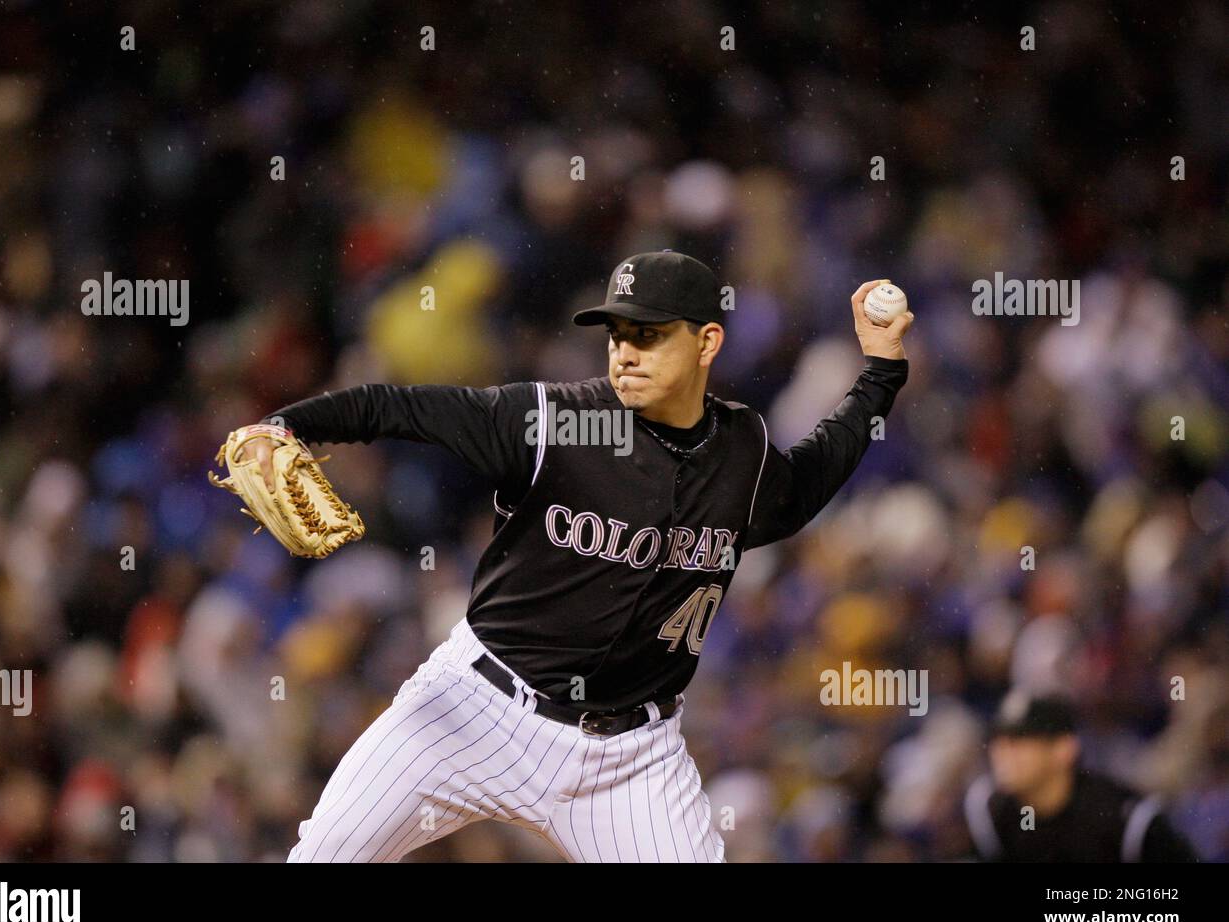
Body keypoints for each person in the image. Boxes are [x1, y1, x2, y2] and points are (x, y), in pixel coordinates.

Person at [241, 251, 911, 862]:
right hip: (476, 709)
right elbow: (406, 407)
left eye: (648, 334)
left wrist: (880, 374)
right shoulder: (553, 422)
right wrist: (285, 425)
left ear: (708, 341)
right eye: (617, 334)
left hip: (629, 757)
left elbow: (807, 481)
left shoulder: (744, 453)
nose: (624, 351)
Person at [964, 691, 1199, 862]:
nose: (1002, 755)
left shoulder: (1124, 819)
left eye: (1018, 743)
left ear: (1063, 749)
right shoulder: (991, 807)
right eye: (998, 742)